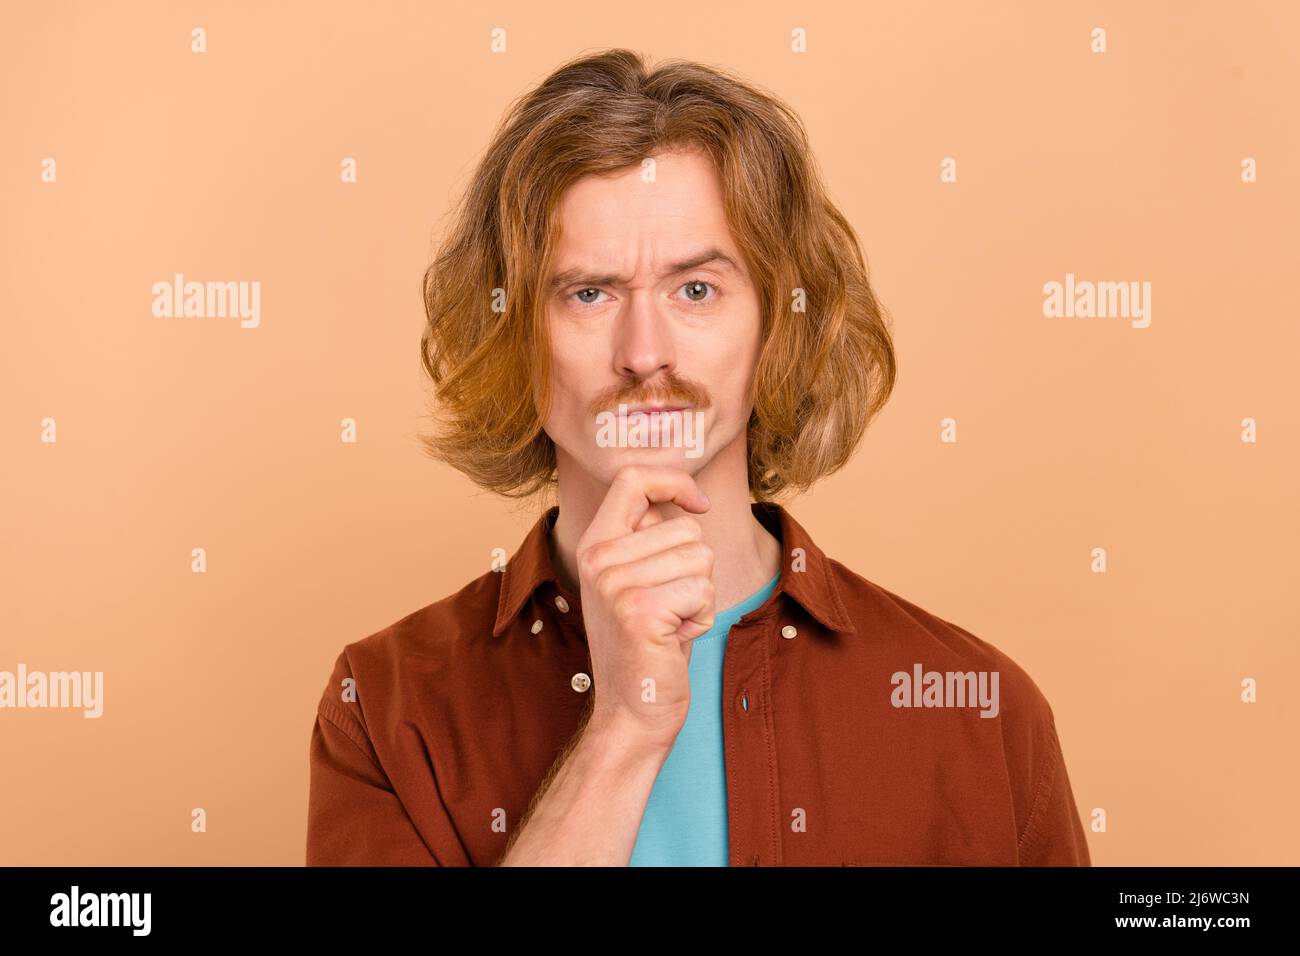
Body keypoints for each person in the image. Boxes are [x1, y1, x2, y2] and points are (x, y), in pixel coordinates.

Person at [305, 48, 1091, 867]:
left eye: (696, 290)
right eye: (589, 293)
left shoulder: (978, 713)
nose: (646, 353)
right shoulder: (386, 704)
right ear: (514, 338)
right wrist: (623, 730)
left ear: (779, 324)